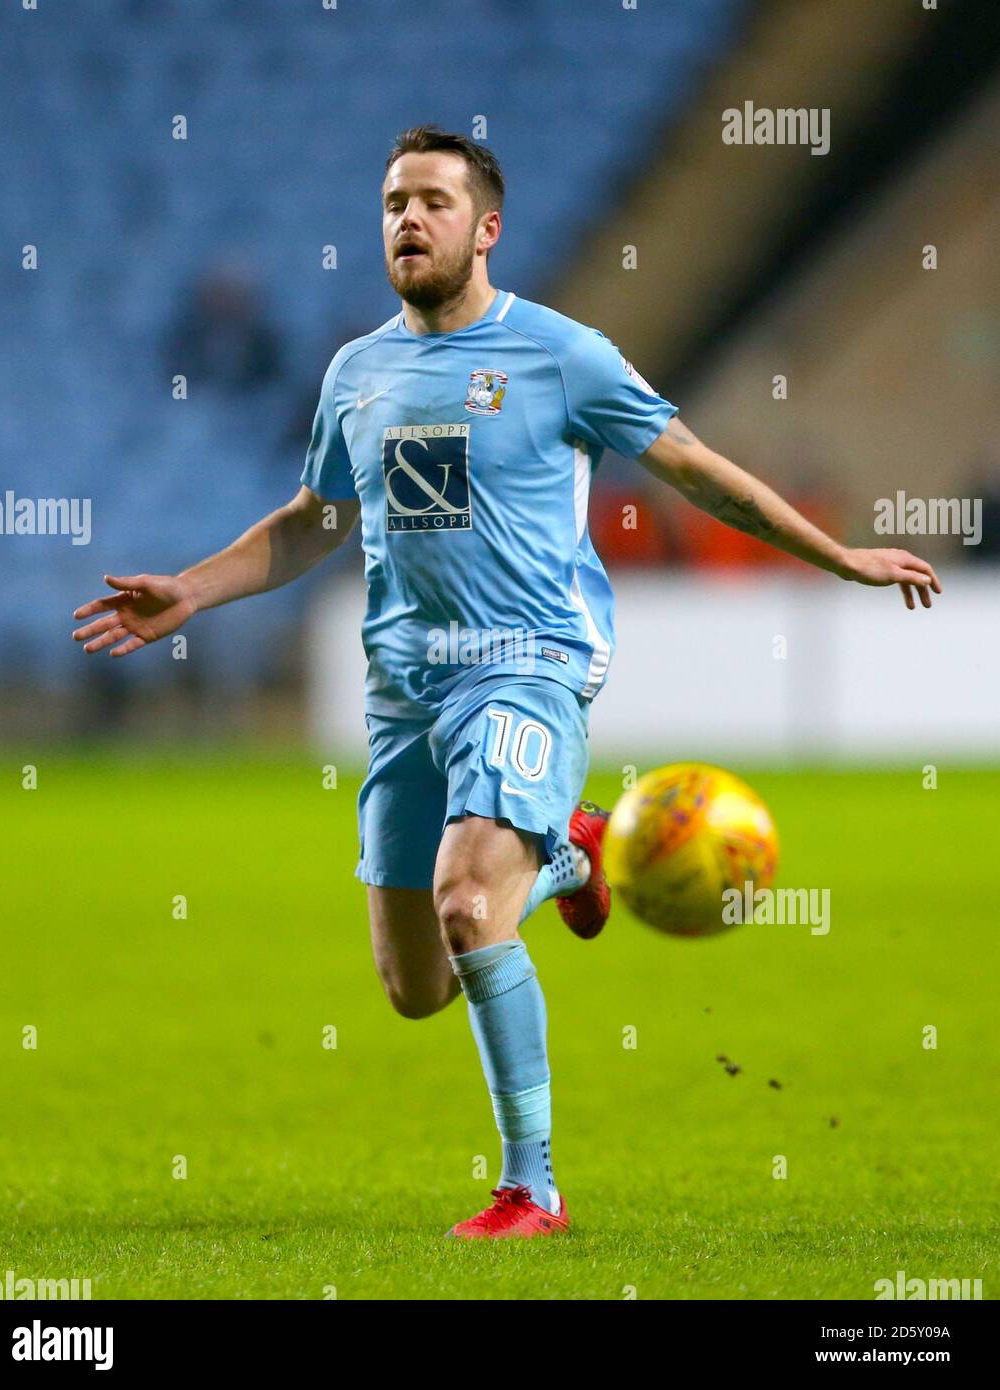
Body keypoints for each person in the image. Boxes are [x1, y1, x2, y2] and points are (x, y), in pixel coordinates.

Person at [73, 125, 941, 1240]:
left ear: (486, 229)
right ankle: (574, 849)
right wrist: (192, 591)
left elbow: (698, 473)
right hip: (405, 693)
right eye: (392, 201)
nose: (407, 219)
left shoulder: (562, 355)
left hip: (528, 664)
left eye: (433, 201)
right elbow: (314, 522)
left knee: (467, 901)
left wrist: (844, 557)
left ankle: (532, 1188)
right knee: (419, 984)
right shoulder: (358, 372)